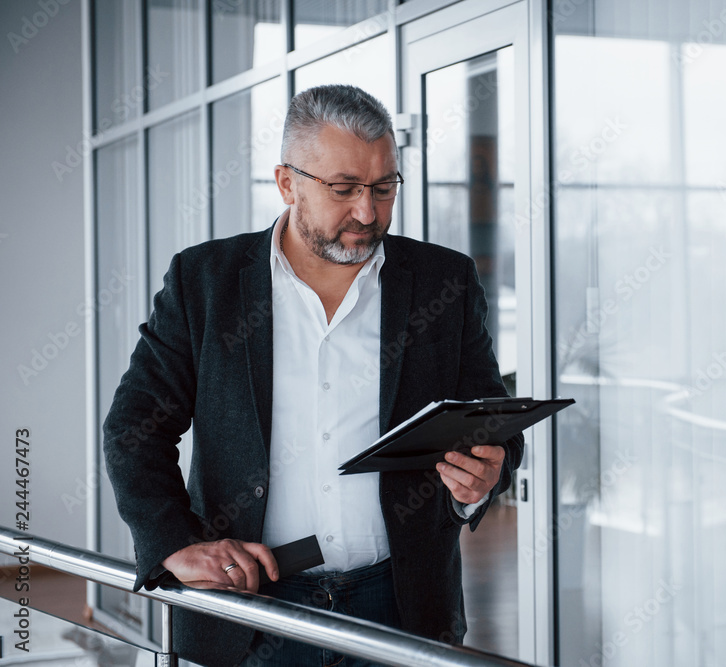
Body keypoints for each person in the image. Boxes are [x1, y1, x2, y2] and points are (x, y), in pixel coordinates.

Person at [102, 84, 524, 667]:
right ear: (287, 183)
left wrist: (490, 471)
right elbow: (134, 429)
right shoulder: (206, 282)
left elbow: (492, 423)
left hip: (401, 605)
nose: (367, 212)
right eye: (344, 189)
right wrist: (172, 544)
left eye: (383, 188)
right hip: (250, 608)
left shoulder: (441, 281)